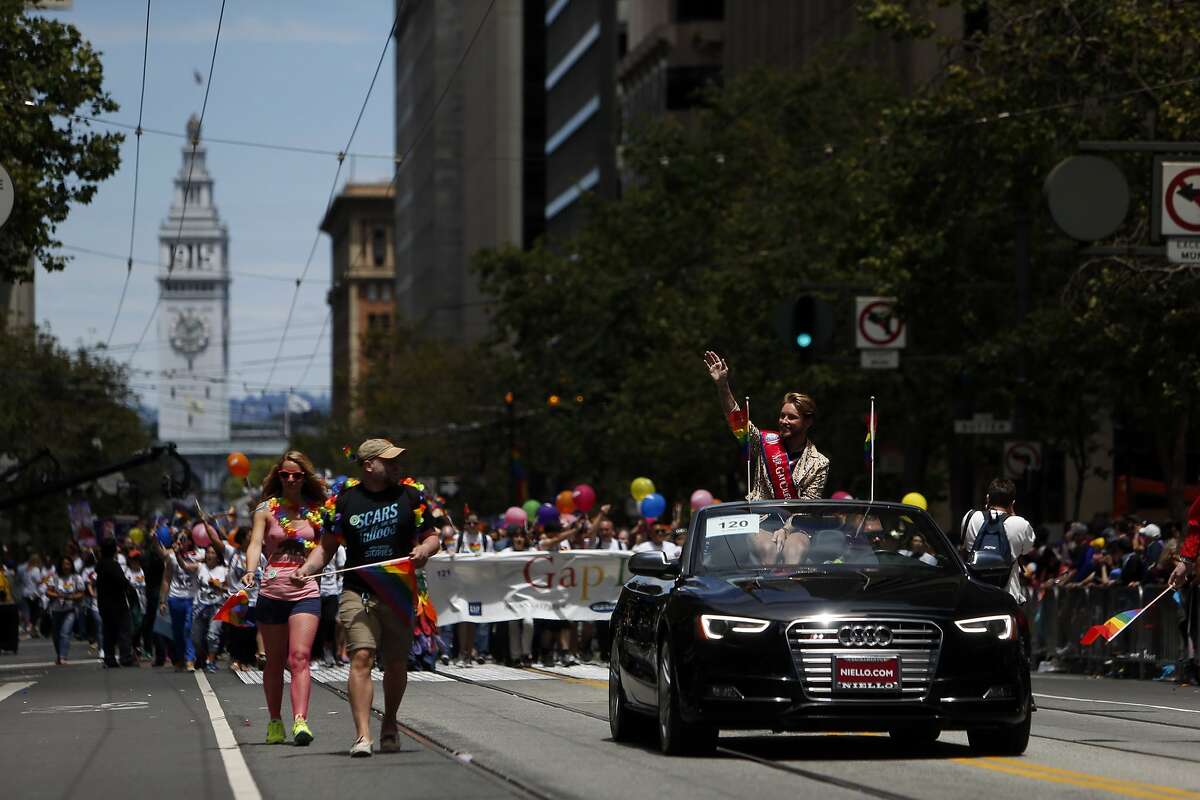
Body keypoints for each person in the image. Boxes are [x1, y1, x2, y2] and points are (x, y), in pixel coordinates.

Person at [295, 438, 439, 757]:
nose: (396, 465)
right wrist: (307, 568)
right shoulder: (345, 501)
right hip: (358, 588)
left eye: (396, 460)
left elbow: (433, 537)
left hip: (399, 590)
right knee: (361, 656)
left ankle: (389, 722)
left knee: (396, 663)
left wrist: (423, 550)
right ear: (369, 465)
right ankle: (363, 735)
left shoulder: (411, 495)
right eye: (389, 461)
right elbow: (326, 547)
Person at [242, 450, 327, 747]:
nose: (291, 479)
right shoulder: (266, 508)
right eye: (285, 474)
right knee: (275, 661)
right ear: (278, 476)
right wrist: (250, 570)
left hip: (305, 590)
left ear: (305, 477)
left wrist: (308, 568)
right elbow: (255, 544)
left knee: (300, 657)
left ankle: (300, 720)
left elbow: (323, 547)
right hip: (272, 590)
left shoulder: (317, 509)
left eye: (297, 475)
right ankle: (275, 720)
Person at [704, 350, 829, 500]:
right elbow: (738, 423)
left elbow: (808, 509)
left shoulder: (819, 463)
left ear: (808, 422)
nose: (784, 421)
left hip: (792, 523)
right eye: (782, 416)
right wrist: (723, 386)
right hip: (758, 521)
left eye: (792, 417)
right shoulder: (764, 442)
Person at [960, 478, 1036, 603]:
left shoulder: (970, 517)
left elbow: (965, 546)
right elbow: (1026, 549)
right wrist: (1013, 515)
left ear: (988, 498)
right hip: (1007, 596)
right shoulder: (1021, 524)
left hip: (975, 594)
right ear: (1012, 502)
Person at [158, 530, 201, 671]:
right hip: (175, 598)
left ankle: (190, 659)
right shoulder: (171, 558)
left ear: (190, 541)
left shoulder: (198, 556)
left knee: (188, 628)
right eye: (178, 539)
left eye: (184, 539)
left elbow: (188, 567)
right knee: (177, 631)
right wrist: (163, 601)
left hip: (191, 598)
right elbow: (166, 579)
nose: (181, 542)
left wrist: (177, 554)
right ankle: (181, 659)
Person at [96, 538, 136, 667]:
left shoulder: (100, 565)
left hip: (103, 604)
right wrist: (130, 589)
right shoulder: (113, 565)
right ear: (113, 550)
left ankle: (109, 658)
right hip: (117, 603)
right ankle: (125, 657)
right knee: (124, 630)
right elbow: (122, 582)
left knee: (109, 631)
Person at [193, 544, 228, 673]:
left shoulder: (224, 571)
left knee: (212, 635)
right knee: (196, 638)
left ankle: (211, 661)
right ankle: (201, 657)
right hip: (200, 606)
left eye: (213, 553)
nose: (209, 555)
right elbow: (185, 566)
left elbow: (229, 588)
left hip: (217, 606)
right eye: (208, 552)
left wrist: (219, 586)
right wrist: (178, 554)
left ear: (218, 557)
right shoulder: (200, 567)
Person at [45, 558, 85, 665]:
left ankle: (63, 656)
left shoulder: (76, 578)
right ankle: (59, 654)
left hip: (70, 609)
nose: (66, 566)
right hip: (56, 610)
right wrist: (58, 595)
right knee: (56, 635)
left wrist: (71, 597)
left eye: (68, 564)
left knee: (65, 632)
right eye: (64, 564)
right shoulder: (54, 577)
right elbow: (48, 591)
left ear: (71, 565)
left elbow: (81, 593)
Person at [317, 543, 347, 667]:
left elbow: (341, 568)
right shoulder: (310, 546)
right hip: (316, 590)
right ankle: (317, 654)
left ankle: (330, 651)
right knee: (316, 622)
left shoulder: (338, 548)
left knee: (330, 621)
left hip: (331, 590)